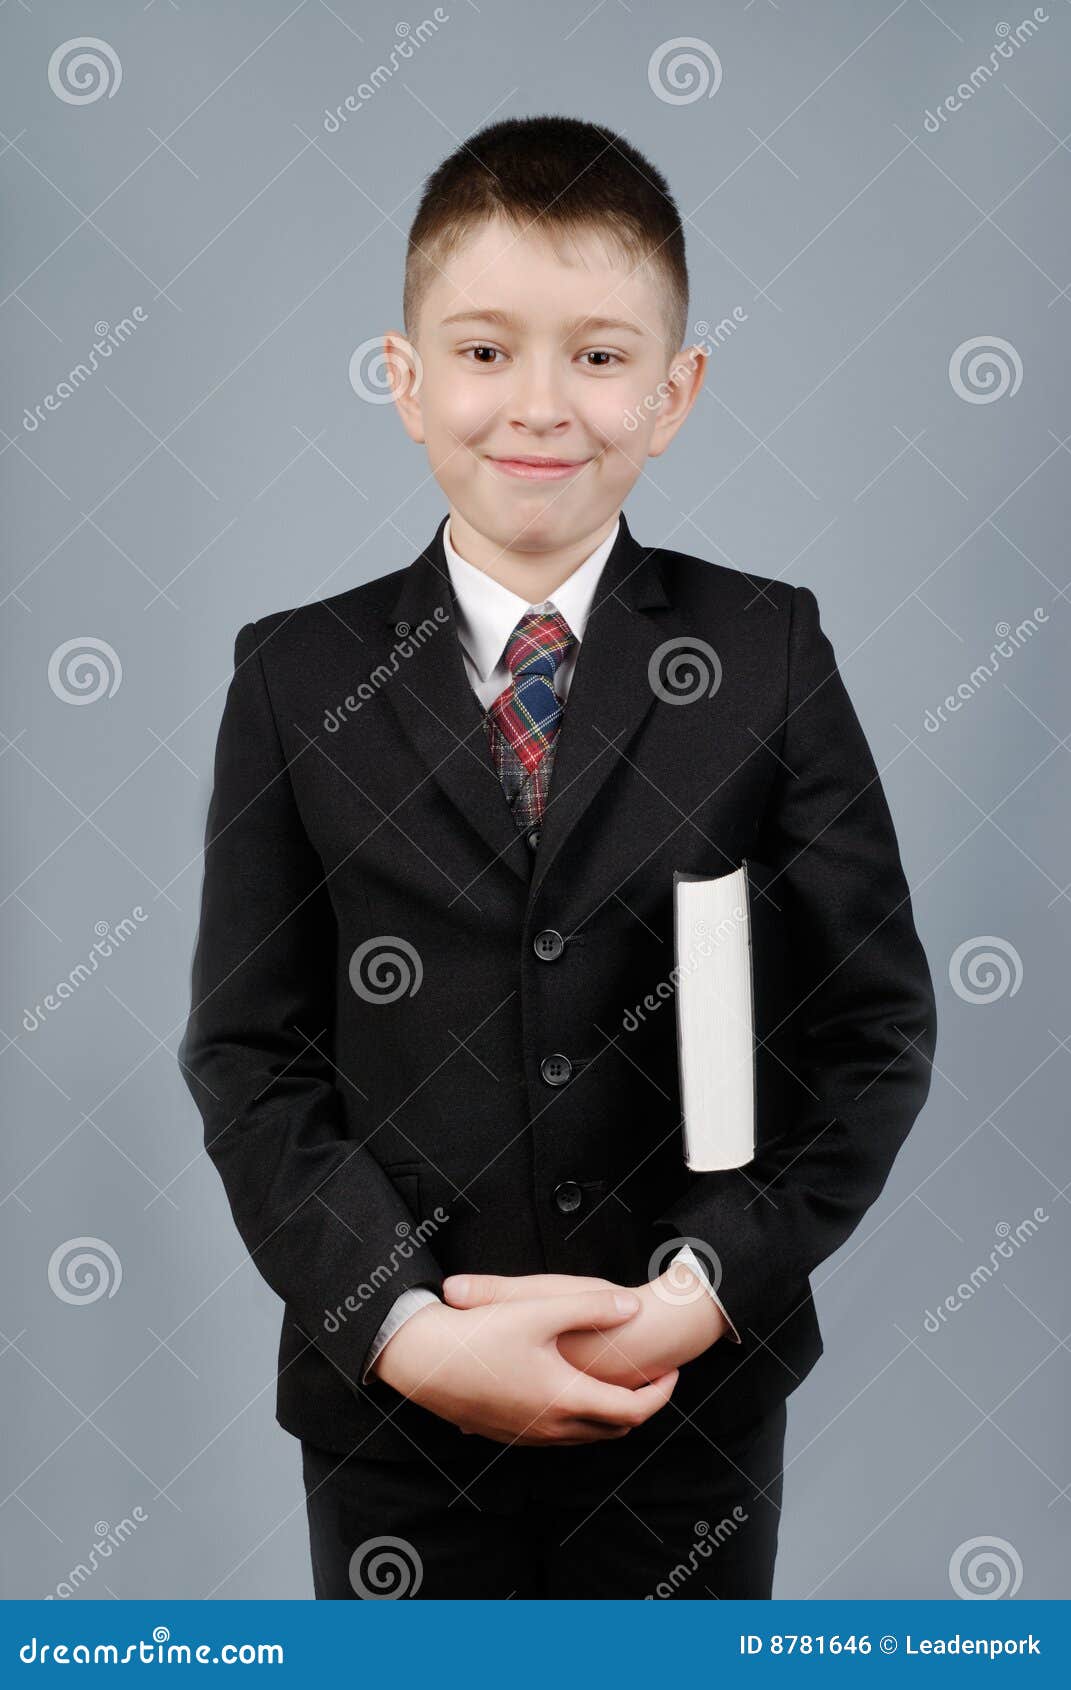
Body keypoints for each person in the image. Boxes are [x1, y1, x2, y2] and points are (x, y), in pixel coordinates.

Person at [179, 115, 937, 1600]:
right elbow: (249, 1057)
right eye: (483, 351)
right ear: (405, 379)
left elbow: (873, 1030)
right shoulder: (292, 676)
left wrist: (703, 1289)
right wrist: (406, 1328)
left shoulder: (766, 651)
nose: (539, 404)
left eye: (598, 355)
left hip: (687, 1416)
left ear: (674, 392)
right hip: (396, 1424)